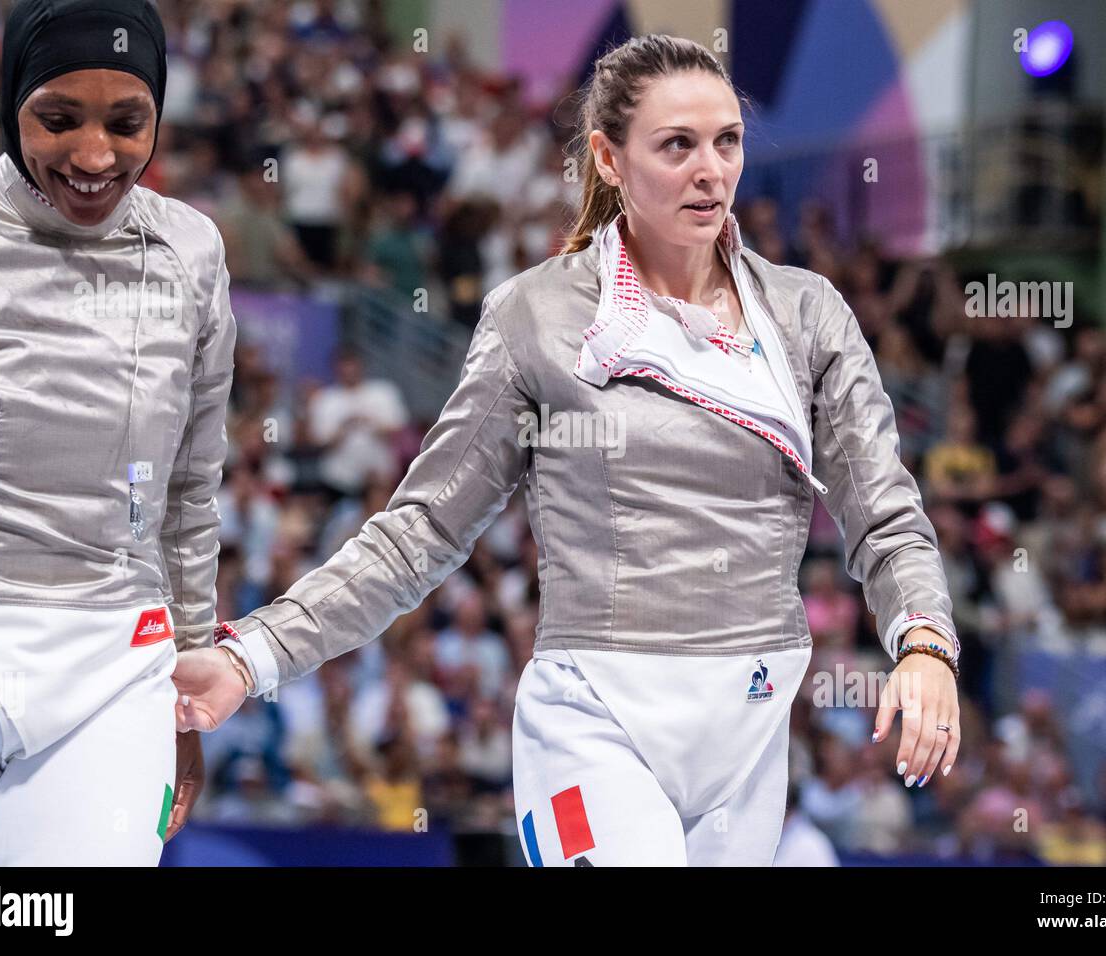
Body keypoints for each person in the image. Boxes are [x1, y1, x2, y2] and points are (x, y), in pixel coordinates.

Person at [175, 34, 961, 866]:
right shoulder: (537, 317)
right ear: (609, 159)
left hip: (752, 737)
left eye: (727, 141)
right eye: (677, 145)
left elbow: (885, 512)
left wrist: (924, 642)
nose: (711, 170)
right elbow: (421, 534)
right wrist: (255, 653)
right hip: (596, 722)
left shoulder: (808, 315)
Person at [0, 0, 234, 865]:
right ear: (10, 105)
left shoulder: (190, 253)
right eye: (58, 119)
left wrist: (188, 688)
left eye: (127, 123)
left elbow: (189, 493)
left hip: (115, 663)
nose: (94, 156)